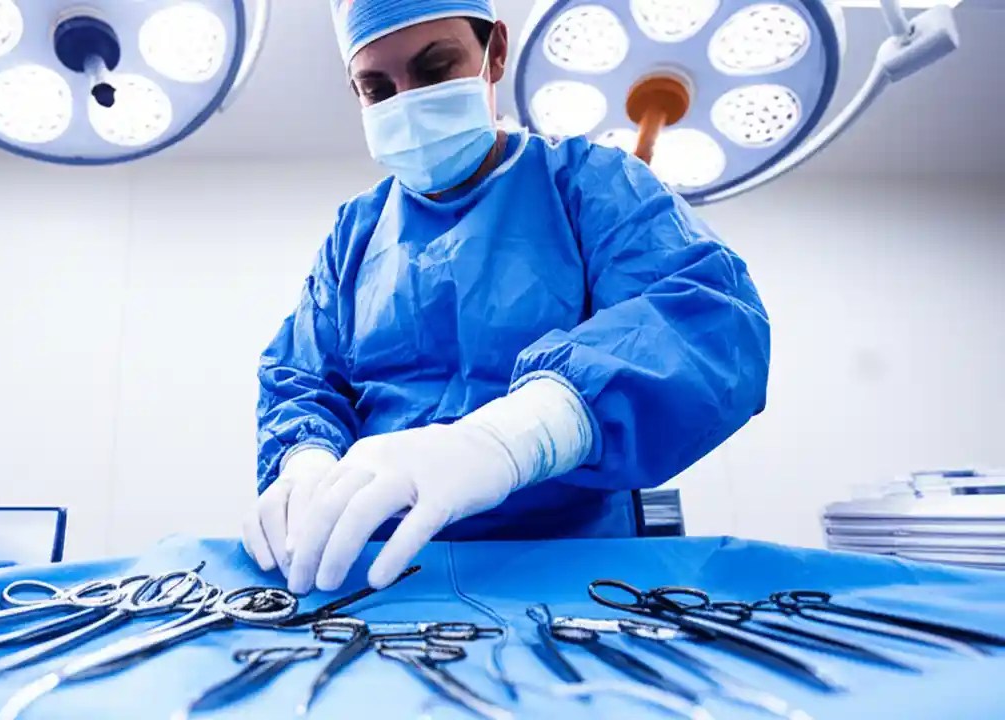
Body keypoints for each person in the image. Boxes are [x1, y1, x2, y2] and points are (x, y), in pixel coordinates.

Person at [242, 0, 771, 595]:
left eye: (436, 68)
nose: (407, 103)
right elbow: (303, 377)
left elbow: (711, 325)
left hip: (574, 580)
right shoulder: (354, 235)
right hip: (380, 580)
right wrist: (305, 460)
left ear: (495, 52)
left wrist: (508, 442)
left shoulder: (585, 184)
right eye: (376, 88)